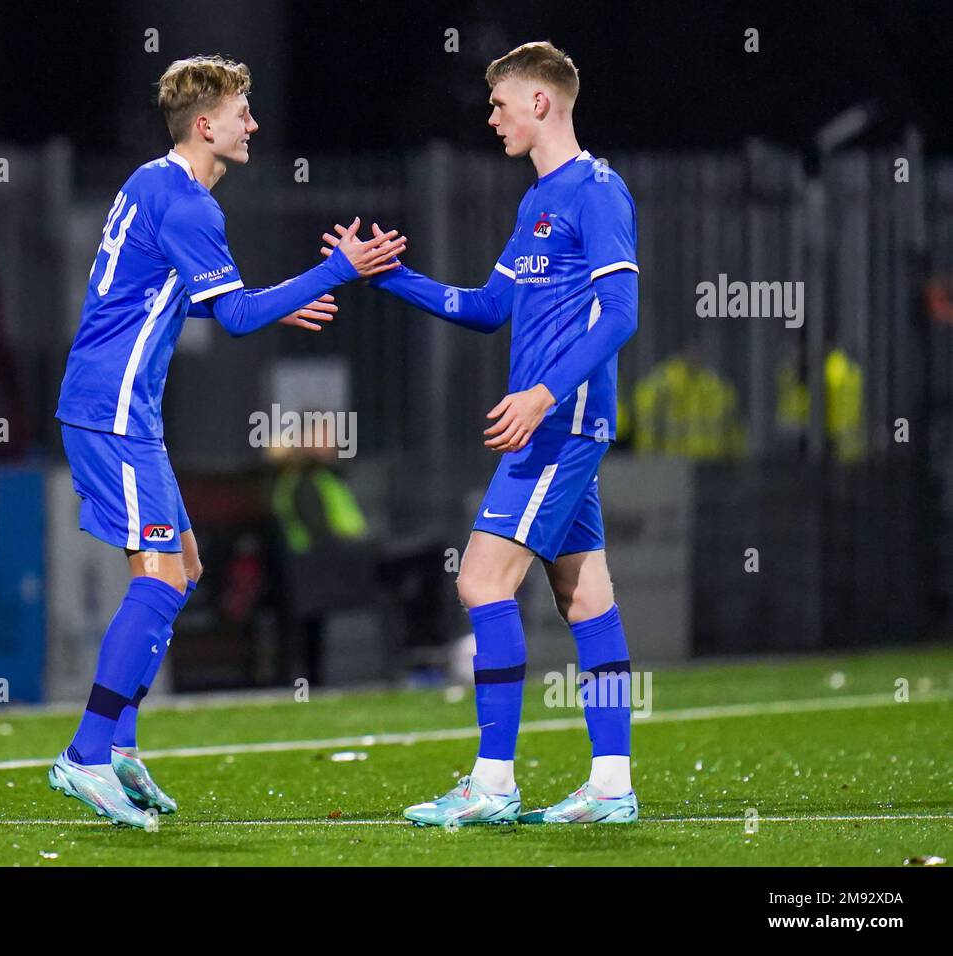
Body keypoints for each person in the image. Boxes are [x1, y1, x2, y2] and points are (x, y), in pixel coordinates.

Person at [49, 54, 405, 827]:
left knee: (182, 565)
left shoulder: (155, 183)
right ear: (205, 124)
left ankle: (119, 748)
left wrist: (281, 300)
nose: (253, 124)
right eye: (243, 111)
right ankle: (86, 752)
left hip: (114, 406)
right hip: (113, 411)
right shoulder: (190, 206)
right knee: (163, 578)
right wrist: (333, 272)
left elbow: (185, 297)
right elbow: (237, 313)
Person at [325, 41, 640, 825]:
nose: (491, 115)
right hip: (555, 418)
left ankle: (494, 784)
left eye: (501, 102)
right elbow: (486, 307)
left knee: (479, 581)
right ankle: (610, 786)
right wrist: (384, 275)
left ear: (541, 103)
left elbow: (622, 315)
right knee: (584, 593)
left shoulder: (597, 192)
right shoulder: (536, 202)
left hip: (560, 422)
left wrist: (541, 393)